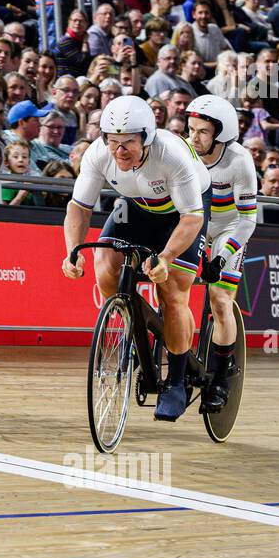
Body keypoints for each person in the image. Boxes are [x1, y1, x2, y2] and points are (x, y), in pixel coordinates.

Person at [62, 94, 211, 421]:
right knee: (104, 266)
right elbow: (79, 207)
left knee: (172, 293)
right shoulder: (98, 154)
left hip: (183, 213)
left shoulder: (172, 156)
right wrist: (72, 250)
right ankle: (128, 326)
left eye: (128, 143)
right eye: (113, 142)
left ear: (147, 138)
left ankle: (175, 382)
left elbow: (192, 219)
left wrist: (167, 258)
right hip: (136, 208)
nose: (119, 151)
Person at [186, 96, 258, 411]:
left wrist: (221, 257)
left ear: (220, 134)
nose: (194, 138)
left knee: (219, 298)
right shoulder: (185, 153)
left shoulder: (239, 161)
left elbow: (247, 221)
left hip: (229, 228)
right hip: (196, 223)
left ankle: (220, 378)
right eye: (191, 130)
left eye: (202, 132)